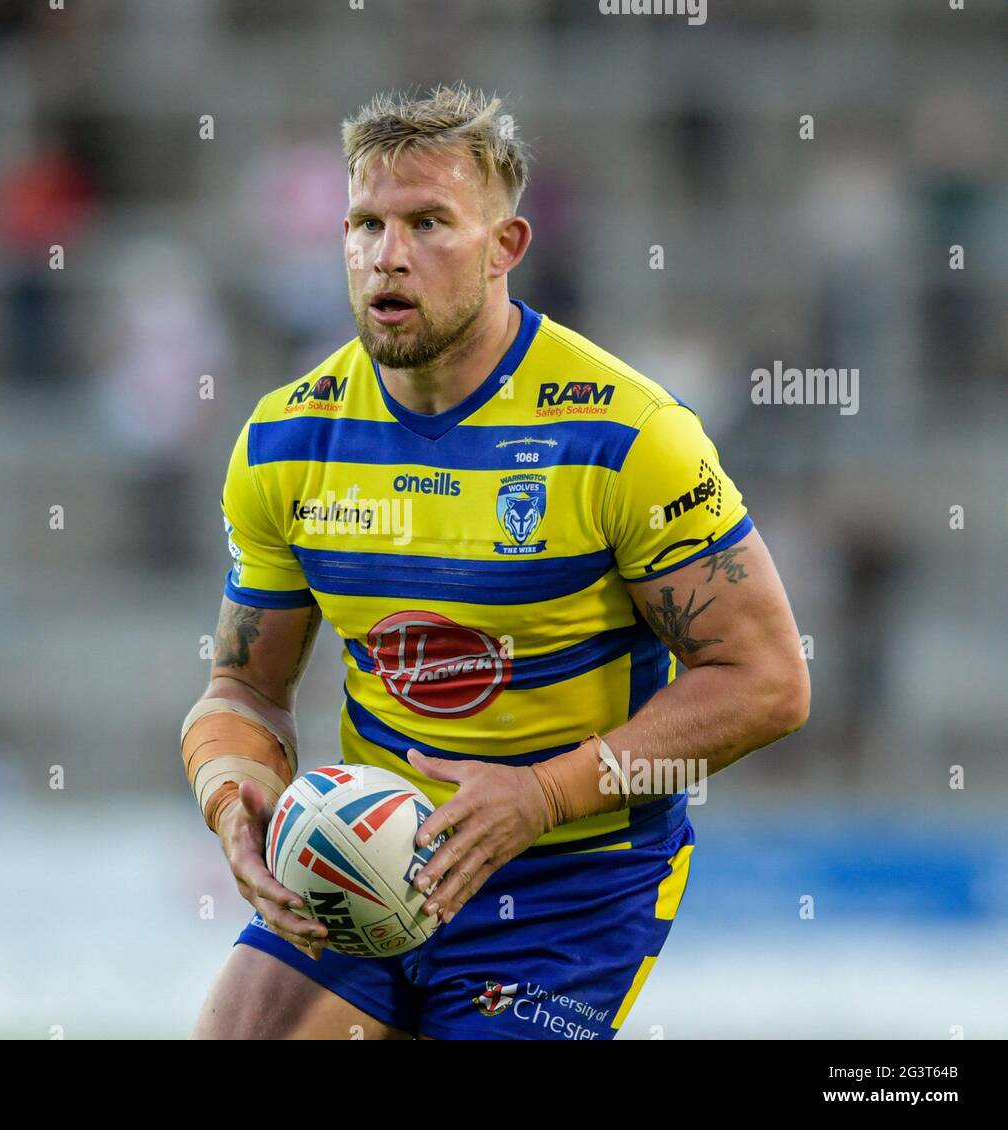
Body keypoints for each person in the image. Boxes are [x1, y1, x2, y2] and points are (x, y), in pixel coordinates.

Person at [182, 83, 809, 1040]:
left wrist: (541, 794)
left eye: (428, 223)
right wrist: (235, 796)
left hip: (573, 890)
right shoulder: (288, 440)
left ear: (504, 247)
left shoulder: (626, 437)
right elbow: (241, 691)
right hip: (371, 866)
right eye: (365, 224)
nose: (387, 256)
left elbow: (768, 682)